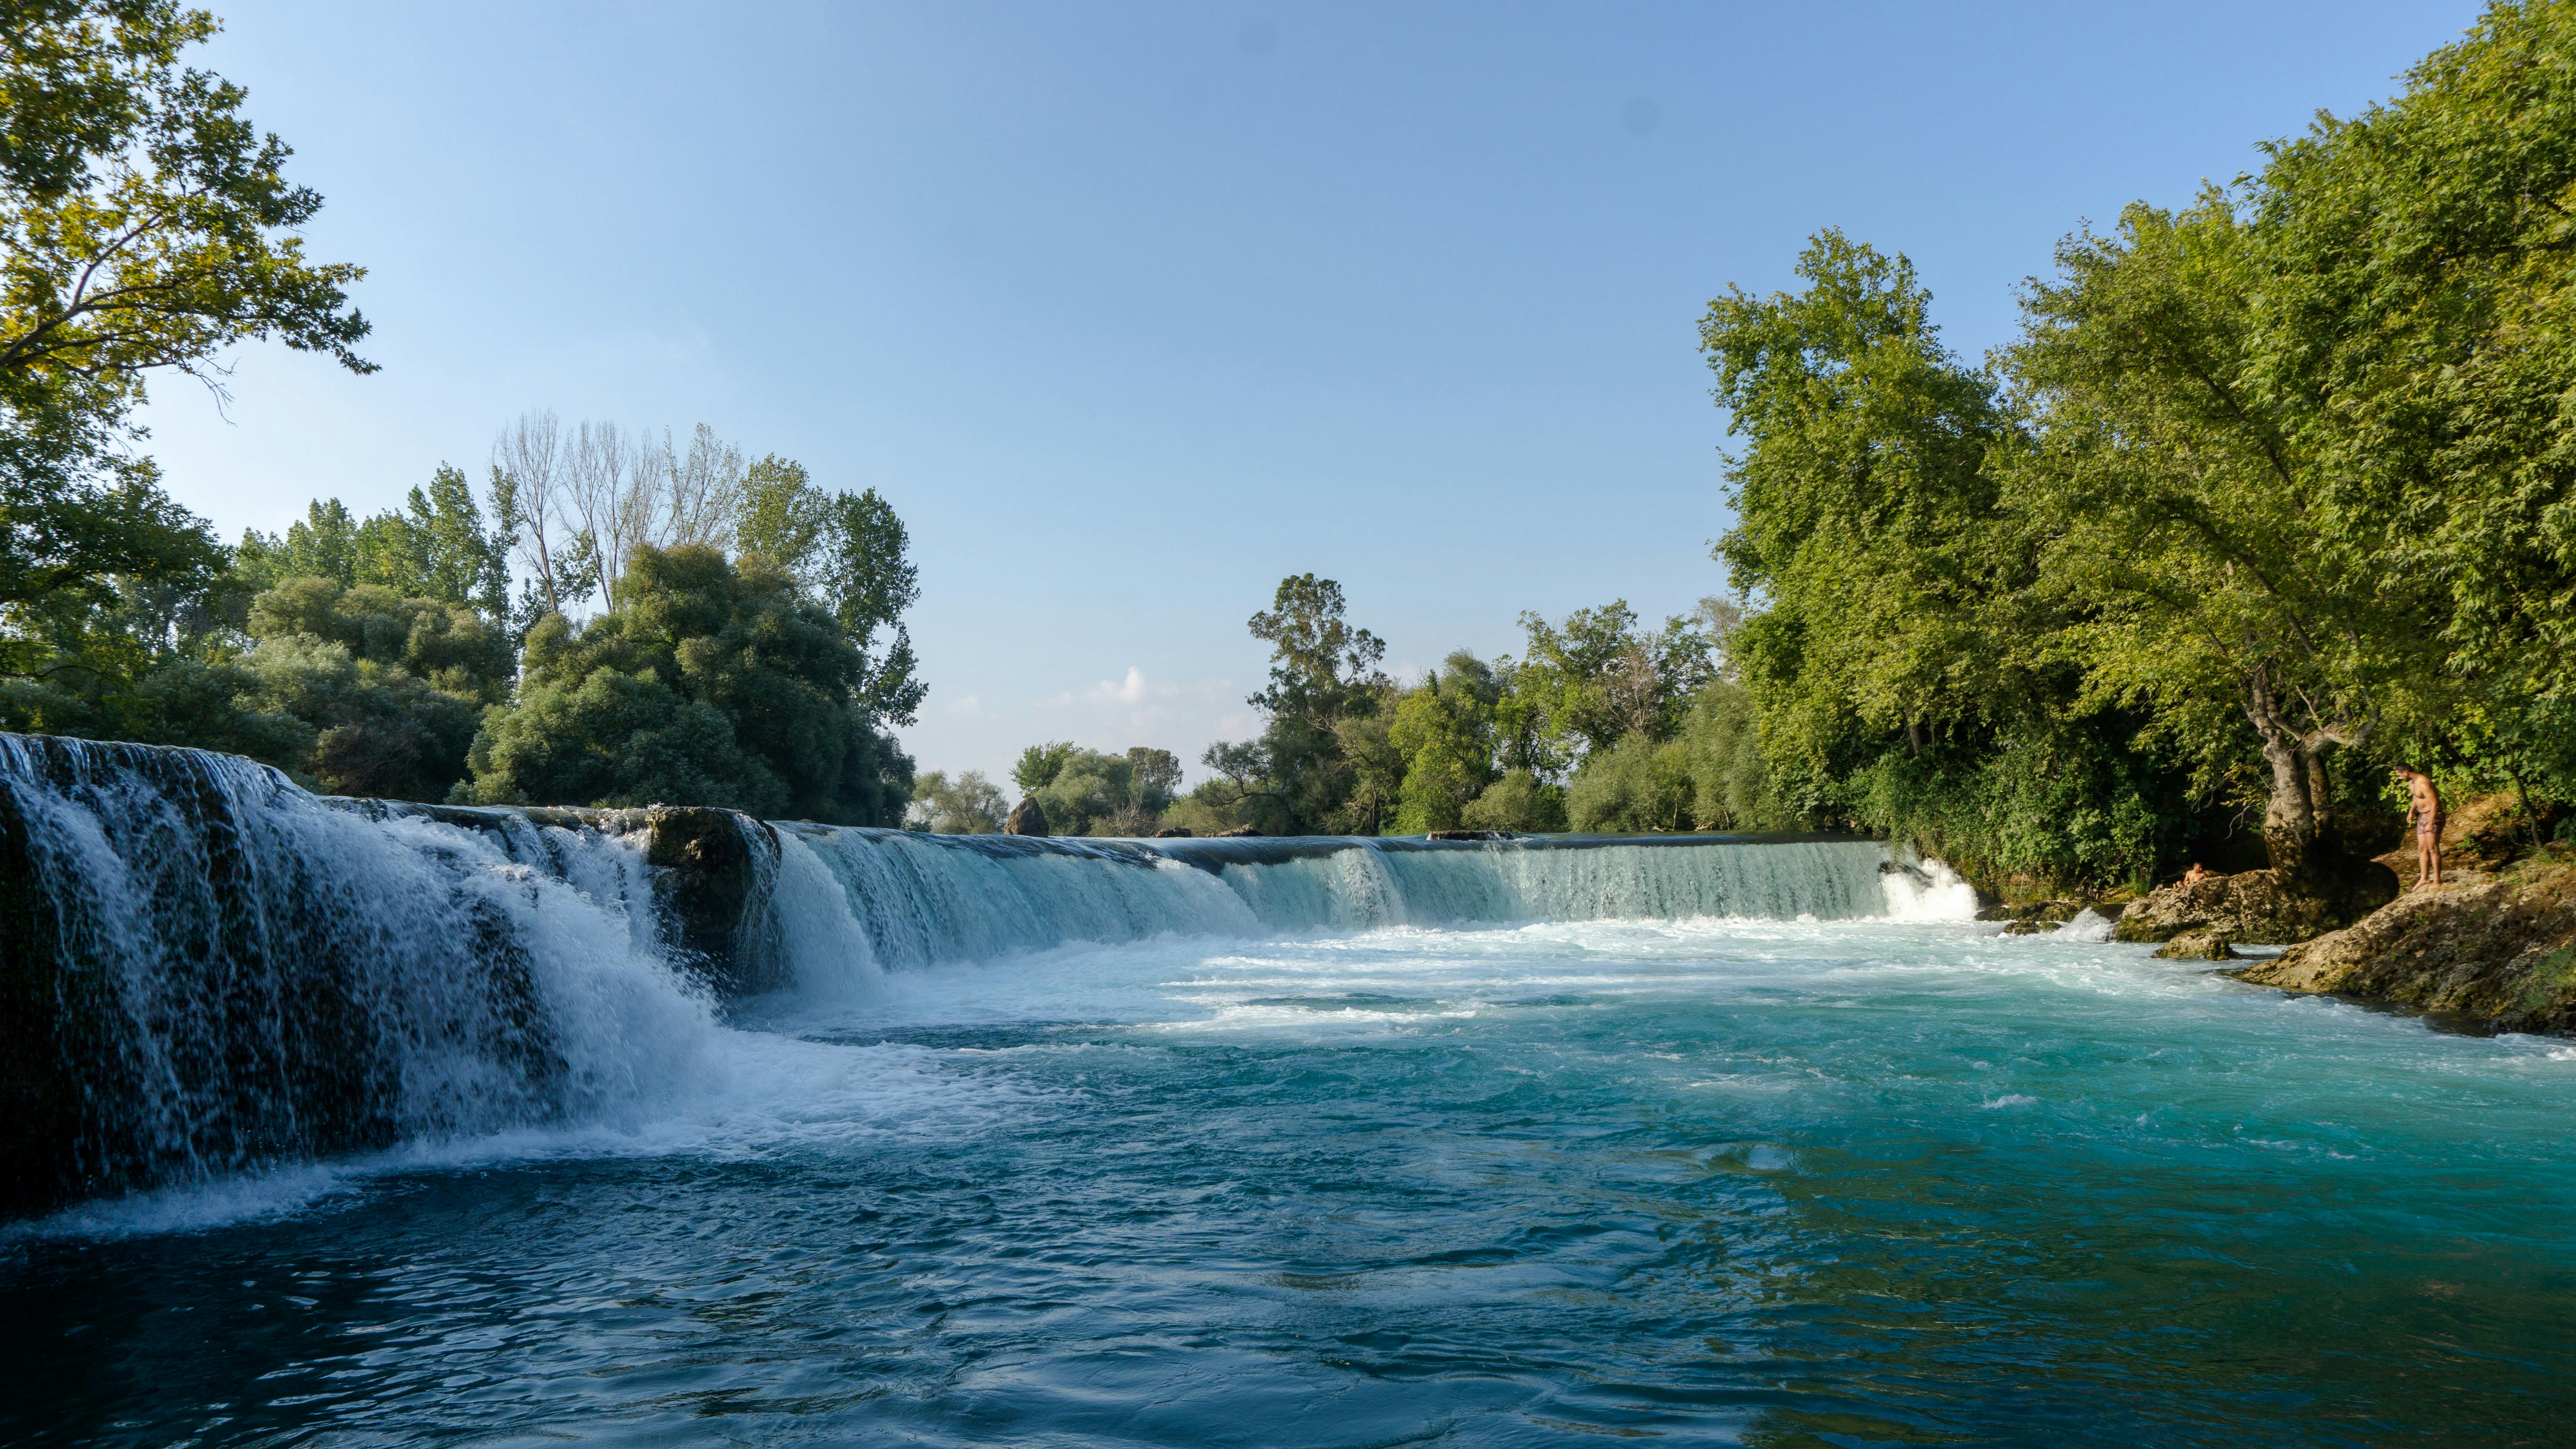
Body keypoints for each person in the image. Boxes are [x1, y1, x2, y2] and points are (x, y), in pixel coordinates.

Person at [2396, 765, 2443, 890]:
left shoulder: (2424, 783)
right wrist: (2411, 812)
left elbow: (2435, 803)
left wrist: (2431, 823)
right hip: (2422, 816)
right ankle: (2425, 878)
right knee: (2422, 848)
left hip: (2433, 816)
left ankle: (2438, 880)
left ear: (2406, 772)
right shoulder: (2412, 782)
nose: (2399, 778)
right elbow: (2416, 797)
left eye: (2400, 775)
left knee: (2433, 849)